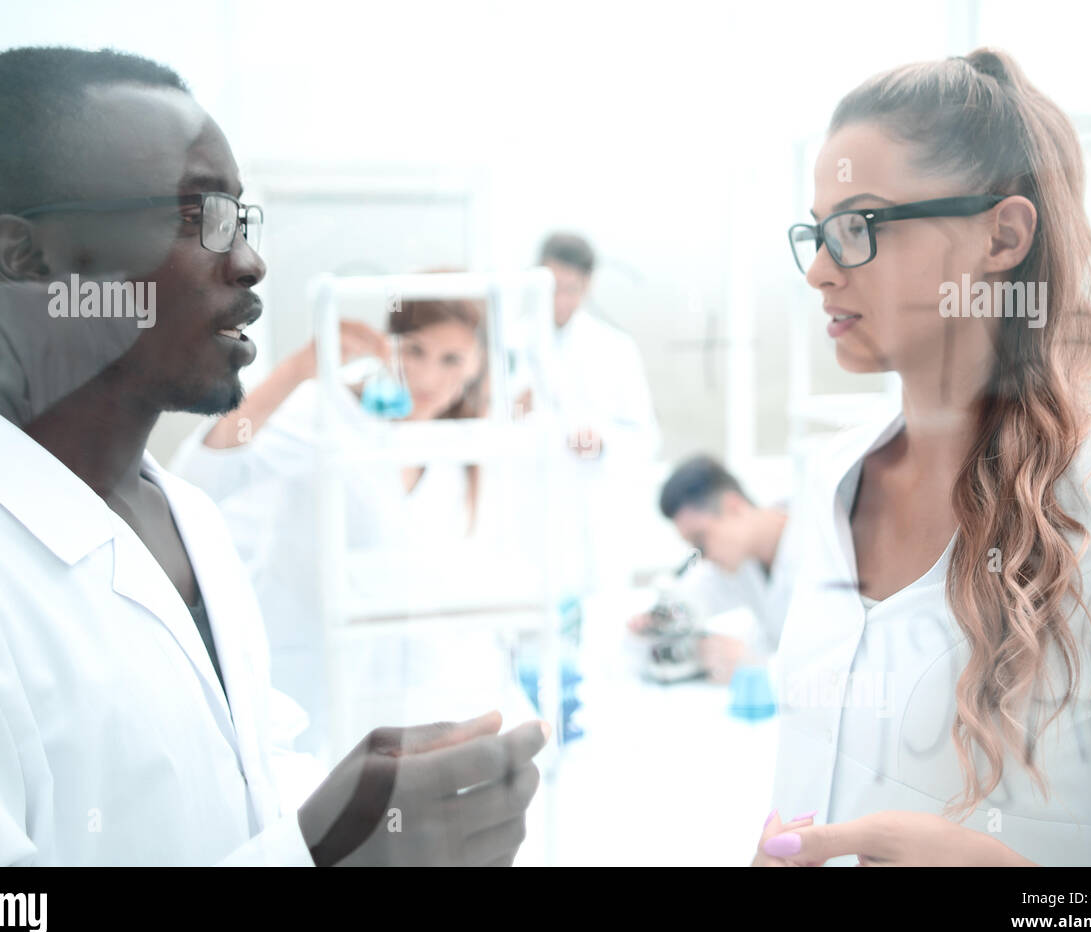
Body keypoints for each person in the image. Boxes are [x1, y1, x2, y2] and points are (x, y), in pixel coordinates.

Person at [0, 46, 545, 866]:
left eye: (241, 217)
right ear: (32, 260)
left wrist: (357, 814)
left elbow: (243, 789)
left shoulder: (190, 523)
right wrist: (310, 855)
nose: (247, 259)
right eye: (196, 214)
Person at [753, 48, 1091, 867]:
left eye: (859, 228)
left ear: (1002, 235)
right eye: (817, 233)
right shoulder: (829, 483)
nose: (819, 270)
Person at [172, 293, 537, 759]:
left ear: (478, 364)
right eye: (414, 351)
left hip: (400, 693)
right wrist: (297, 370)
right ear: (388, 345)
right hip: (303, 669)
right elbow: (200, 475)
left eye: (452, 359)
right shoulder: (325, 411)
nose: (428, 376)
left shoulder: (461, 444)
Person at [525, 232, 661, 593]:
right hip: (527, 511)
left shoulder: (615, 349)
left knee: (596, 613)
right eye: (549, 286)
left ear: (587, 285)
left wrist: (602, 444)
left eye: (568, 288)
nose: (557, 299)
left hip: (594, 515)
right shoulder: (509, 345)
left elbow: (646, 439)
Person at [628, 455, 792, 682]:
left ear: (733, 507)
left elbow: (842, 670)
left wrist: (759, 667)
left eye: (701, 539)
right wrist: (655, 622)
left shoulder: (824, 547)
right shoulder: (738, 561)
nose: (702, 557)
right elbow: (689, 599)